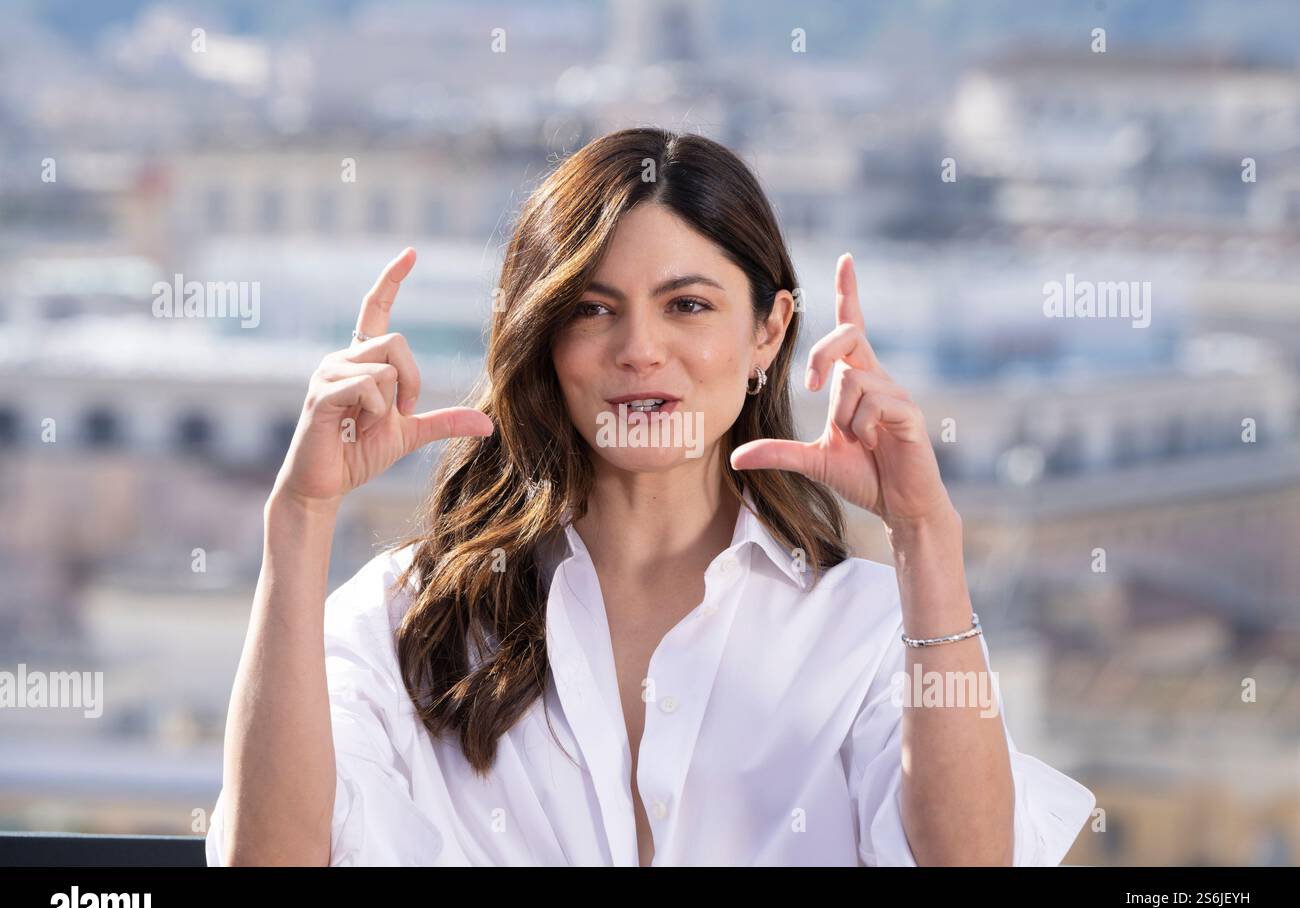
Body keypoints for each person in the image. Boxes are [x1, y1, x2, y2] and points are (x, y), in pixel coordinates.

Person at [206, 127, 1095, 866]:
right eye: (592, 309)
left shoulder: (864, 631)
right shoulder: (405, 618)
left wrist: (922, 532)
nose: (639, 348)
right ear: (543, 340)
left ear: (768, 332)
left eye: (688, 306)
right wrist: (300, 518)